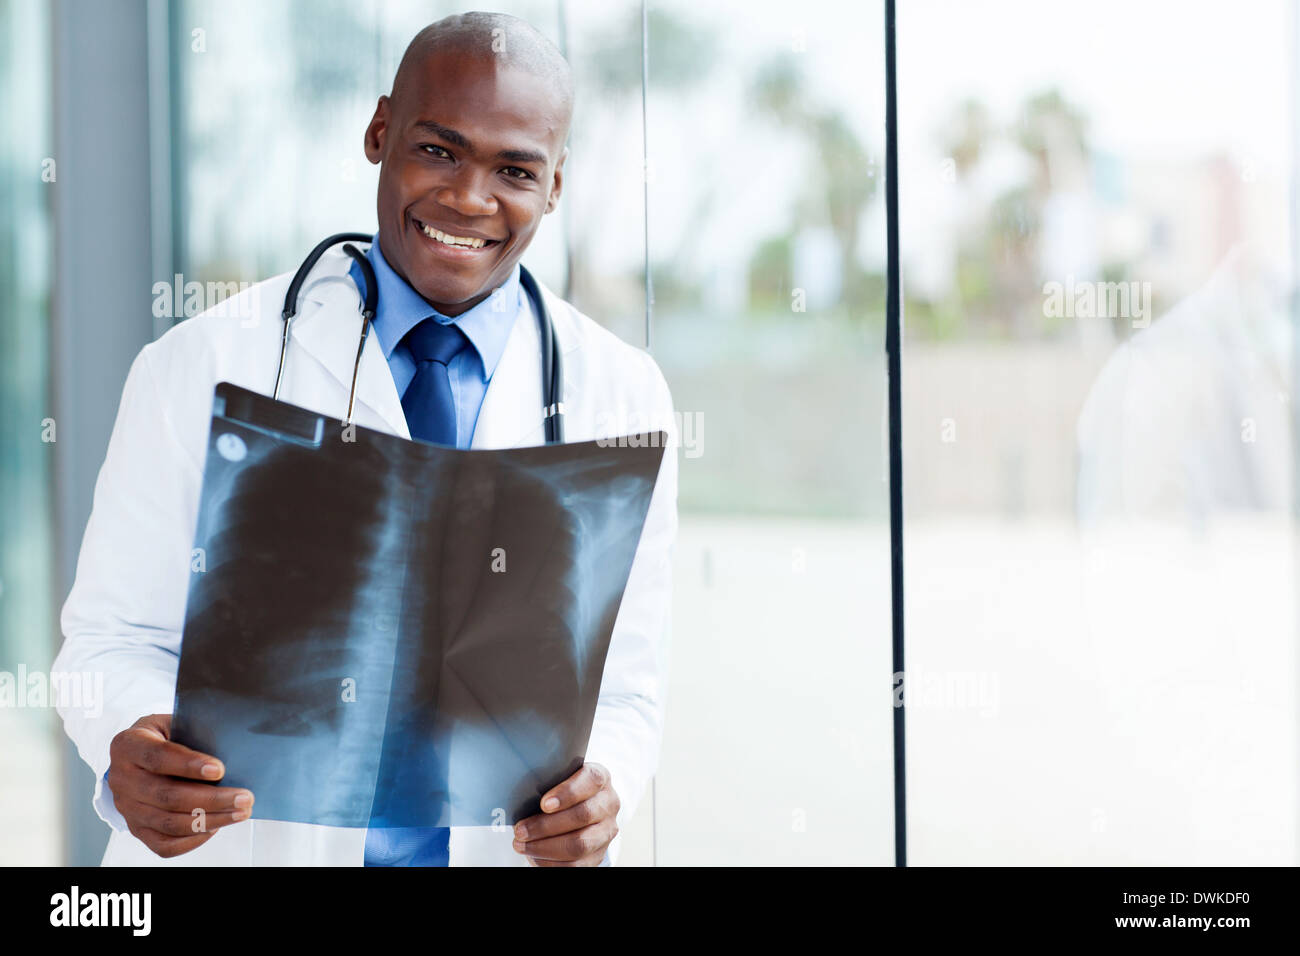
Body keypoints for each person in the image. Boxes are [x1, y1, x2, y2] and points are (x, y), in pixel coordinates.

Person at [52, 11, 677, 867]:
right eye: (439, 150)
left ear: (556, 185)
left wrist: (604, 786)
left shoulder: (621, 394)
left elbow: (629, 689)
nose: (468, 198)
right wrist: (132, 744)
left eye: (515, 170)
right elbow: (108, 641)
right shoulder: (200, 362)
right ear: (381, 131)